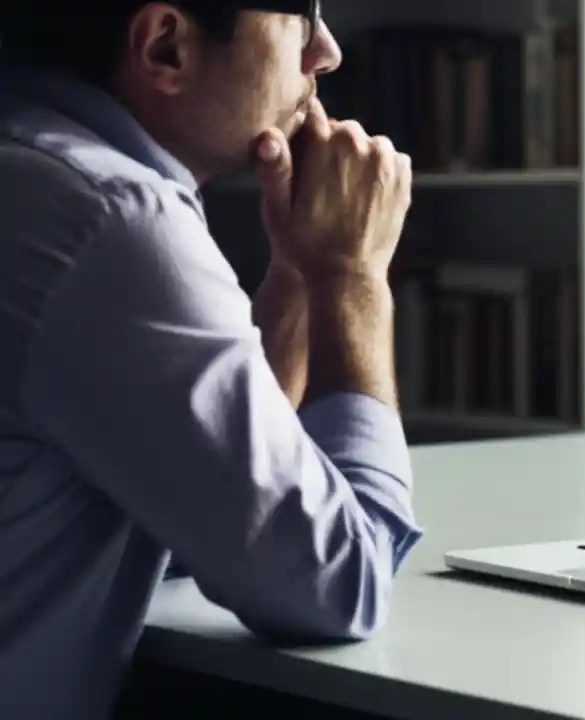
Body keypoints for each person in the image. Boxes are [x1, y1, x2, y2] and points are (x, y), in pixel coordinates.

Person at [0, 2, 423, 717]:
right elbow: (338, 583)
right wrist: (353, 277)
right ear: (166, 46)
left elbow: (214, 513)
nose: (326, 52)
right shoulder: (111, 219)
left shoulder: (36, 170)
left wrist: (297, 271)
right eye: (302, 13)